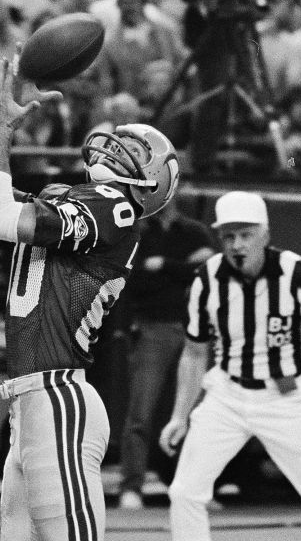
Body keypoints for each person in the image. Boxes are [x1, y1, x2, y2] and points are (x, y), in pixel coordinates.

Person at [0, 54, 180, 541]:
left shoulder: (116, 208)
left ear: (152, 179)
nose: (116, 143)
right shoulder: (76, 198)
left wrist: (5, 131)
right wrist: (0, 121)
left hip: (59, 400)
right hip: (32, 402)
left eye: (133, 147)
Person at [159, 192, 301, 541]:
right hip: (227, 394)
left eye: (246, 234)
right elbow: (195, 353)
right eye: (229, 236)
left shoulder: (297, 275)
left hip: (286, 399)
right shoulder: (206, 279)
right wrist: (180, 415)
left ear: (266, 235)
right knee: (185, 492)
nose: (237, 245)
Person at [116, 195, 215, 509]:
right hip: (152, 328)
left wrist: (163, 265)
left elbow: (207, 274)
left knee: (194, 413)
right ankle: (131, 486)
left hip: (193, 330)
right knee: (141, 413)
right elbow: (136, 281)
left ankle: (191, 489)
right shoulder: (139, 233)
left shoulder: (195, 231)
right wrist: (185, 267)